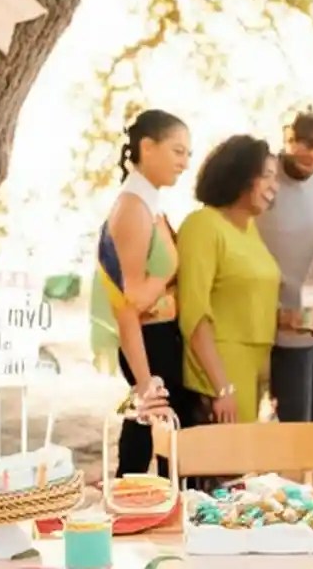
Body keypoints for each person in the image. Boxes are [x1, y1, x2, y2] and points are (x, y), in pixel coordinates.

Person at [91, 109, 191, 477]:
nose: (184, 163)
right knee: (144, 439)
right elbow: (127, 304)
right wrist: (145, 381)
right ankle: (125, 517)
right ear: (148, 147)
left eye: (188, 154)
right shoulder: (132, 207)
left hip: (164, 337)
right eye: (178, 151)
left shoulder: (150, 202)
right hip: (147, 342)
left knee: (165, 444)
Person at [177, 135, 281, 426]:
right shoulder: (203, 225)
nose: (275, 186)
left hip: (254, 371)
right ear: (240, 176)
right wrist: (222, 386)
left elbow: (246, 297)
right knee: (229, 468)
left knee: (251, 468)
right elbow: (194, 312)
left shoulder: (249, 229)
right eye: (267, 176)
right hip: (222, 371)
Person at [256, 109, 313, 423]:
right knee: (294, 430)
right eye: (305, 143)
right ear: (287, 138)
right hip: (283, 331)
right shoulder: (264, 180)